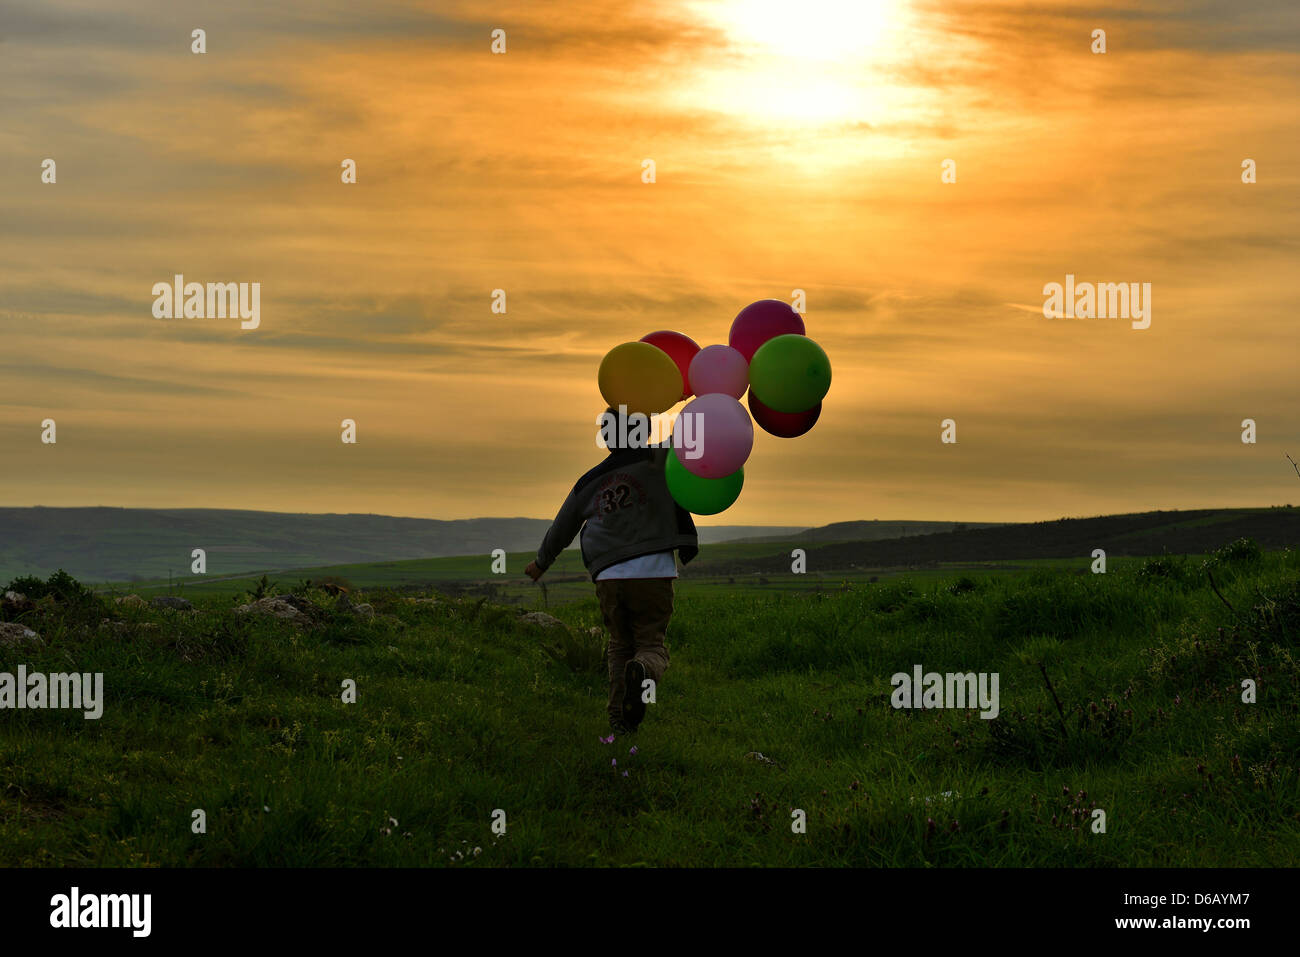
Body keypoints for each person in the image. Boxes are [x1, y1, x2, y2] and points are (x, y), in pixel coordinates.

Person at [526, 407, 698, 735]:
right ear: (645, 432)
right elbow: (694, 437)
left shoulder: (589, 481)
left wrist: (541, 562)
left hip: (609, 575)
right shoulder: (662, 457)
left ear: (606, 437)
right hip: (653, 572)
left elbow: (563, 526)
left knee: (619, 644)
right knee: (651, 644)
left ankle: (619, 721)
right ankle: (644, 669)